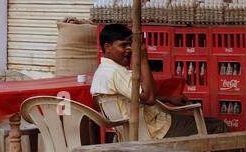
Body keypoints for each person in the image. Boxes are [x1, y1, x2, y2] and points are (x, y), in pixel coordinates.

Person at [91, 24, 222, 139]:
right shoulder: (115, 72)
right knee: (217, 126)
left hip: (145, 128)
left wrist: (166, 98)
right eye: (123, 45)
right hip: (156, 131)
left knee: (208, 123)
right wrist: (143, 58)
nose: (129, 50)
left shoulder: (103, 72)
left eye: (130, 45)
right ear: (107, 47)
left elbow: (132, 99)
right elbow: (149, 98)